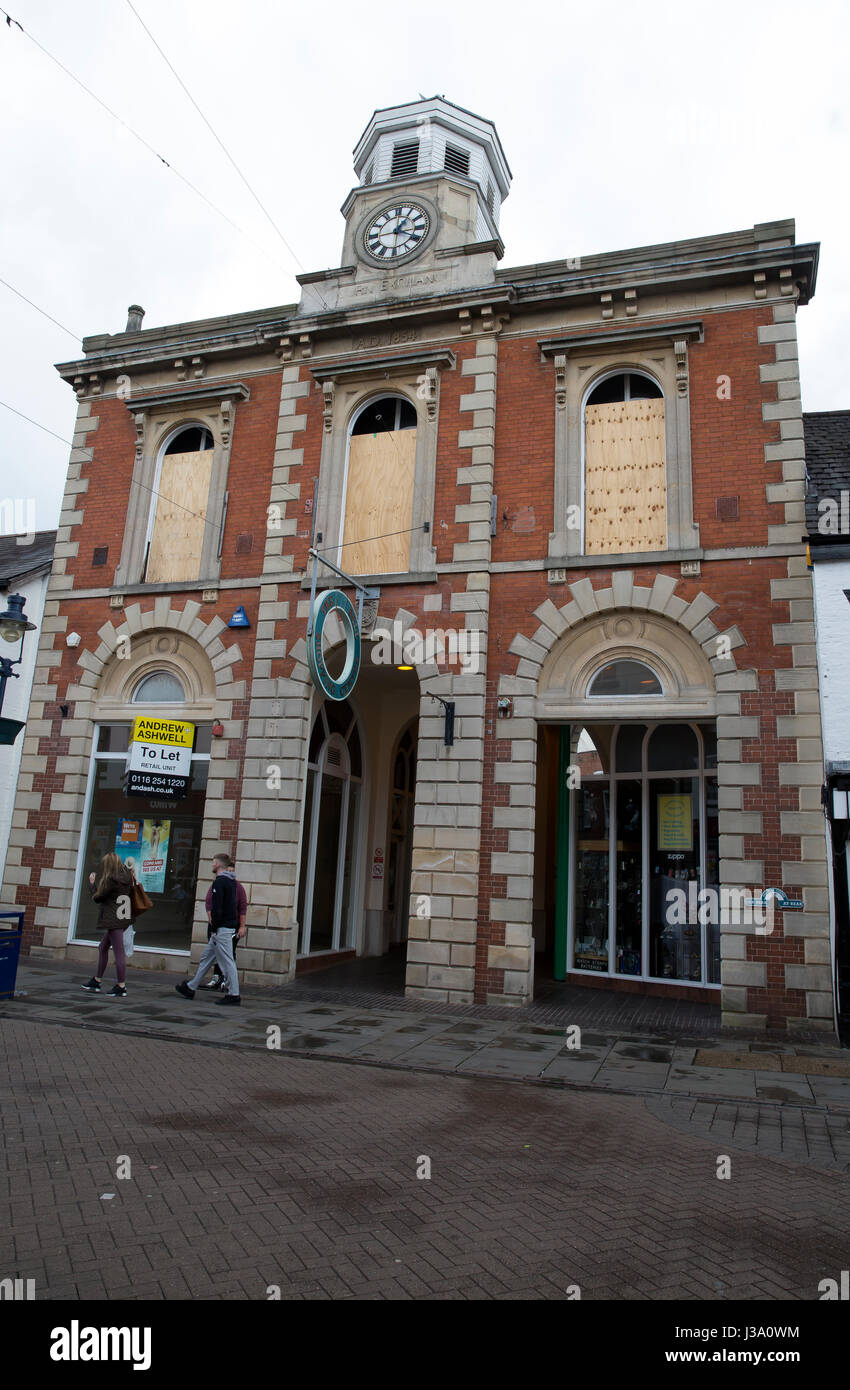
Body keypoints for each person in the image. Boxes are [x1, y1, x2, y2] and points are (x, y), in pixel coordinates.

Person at [175, 852, 244, 1006]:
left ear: (219, 864)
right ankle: (191, 987)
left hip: (222, 928)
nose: (212, 864)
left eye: (213, 862)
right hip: (225, 926)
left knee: (227, 960)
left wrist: (214, 928)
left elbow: (217, 907)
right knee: (207, 958)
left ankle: (234, 994)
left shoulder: (220, 882)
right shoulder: (231, 881)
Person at [81, 852, 135, 998]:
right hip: (123, 918)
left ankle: (121, 986)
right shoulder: (127, 876)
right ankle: (97, 980)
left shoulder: (112, 879)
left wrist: (92, 884)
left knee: (119, 953)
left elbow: (99, 897)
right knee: (103, 947)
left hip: (114, 920)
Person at [200, 855, 247, 990]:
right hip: (219, 925)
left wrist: (241, 926)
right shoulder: (220, 883)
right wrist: (212, 922)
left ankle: (231, 988)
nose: (230, 874)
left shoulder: (235, 886)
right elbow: (210, 903)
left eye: (232, 872)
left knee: (227, 956)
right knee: (210, 957)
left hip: (226, 926)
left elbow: (241, 907)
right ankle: (195, 984)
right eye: (229, 871)